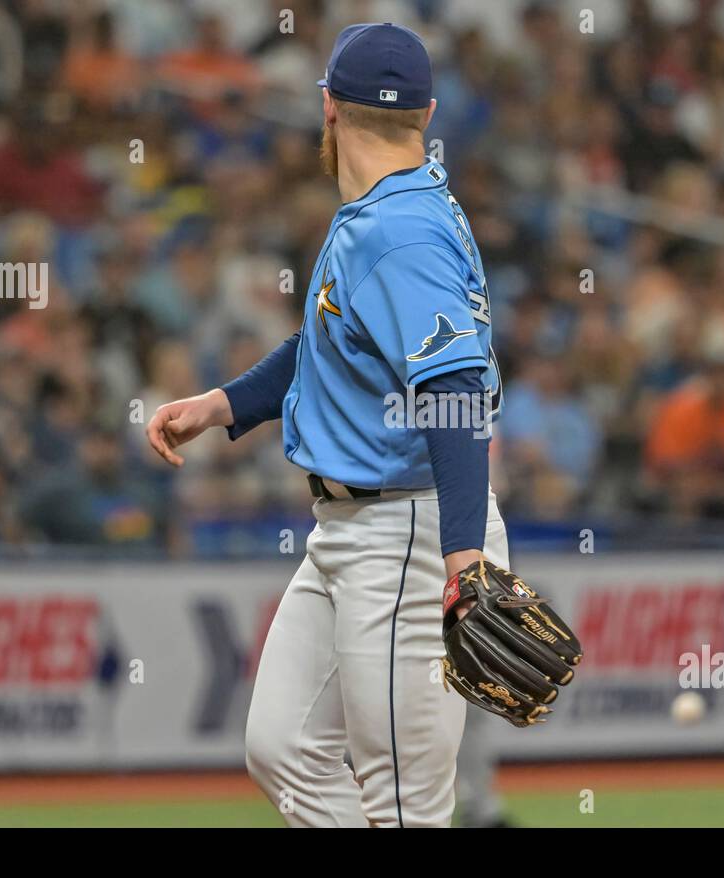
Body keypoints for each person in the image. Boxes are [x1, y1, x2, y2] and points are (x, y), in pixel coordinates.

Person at [147, 23, 504, 827]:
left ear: (328, 108)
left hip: (405, 533)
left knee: (404, 805)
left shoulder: (398, 231)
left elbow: (454, 389)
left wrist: (463, 559)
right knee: (285, 747)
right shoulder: (394, 208)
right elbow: (331, 345)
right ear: (428, 112)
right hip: (350, 529)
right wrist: (224, 405)